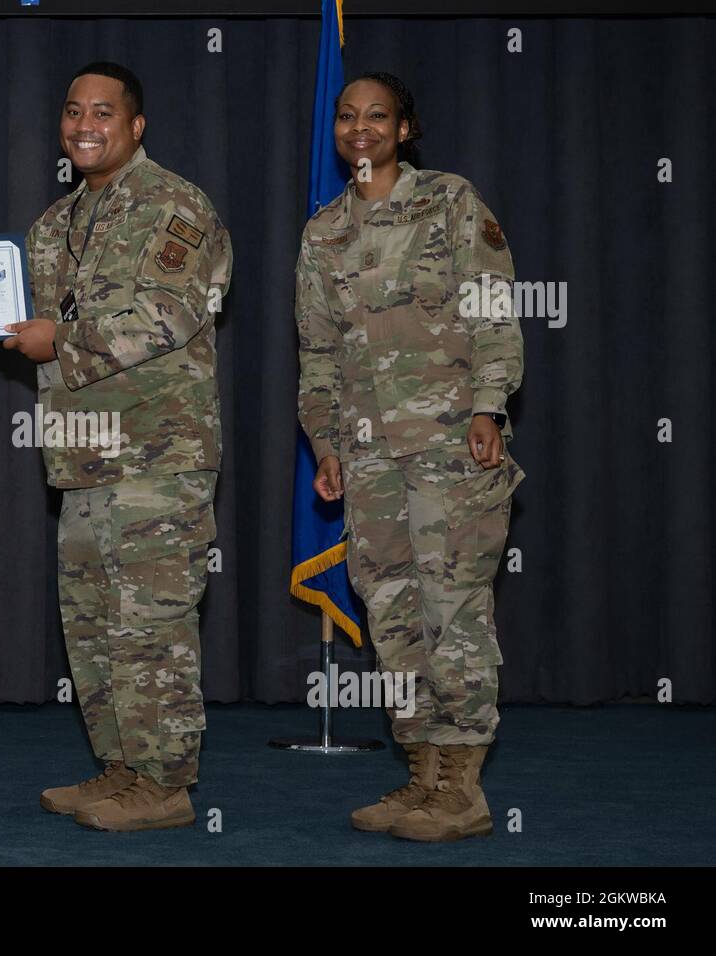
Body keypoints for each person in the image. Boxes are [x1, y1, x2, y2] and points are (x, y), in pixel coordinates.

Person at [294, 72, 524, 842]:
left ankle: (463, 788)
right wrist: (324, 443)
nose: (361, 129)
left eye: (378, 117)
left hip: (453, 442)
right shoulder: (323, 231)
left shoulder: (450, 202)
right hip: (367, 457)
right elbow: (317, 353)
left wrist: (490, 405)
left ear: (405, 129)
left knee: (452, 609)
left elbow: (494, 307)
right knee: (390, 611)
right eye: (348, 116)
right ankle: (421, 772)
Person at [5, 62, 232, 832]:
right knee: (95, 624)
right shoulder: (53, 222)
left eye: (103, 111)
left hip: (157, 456)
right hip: (81, 457)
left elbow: (172, 312)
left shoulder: (173, 204)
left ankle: (166, 785)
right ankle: (123, 768)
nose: (84, 124)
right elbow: (20, 316)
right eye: (73, 111)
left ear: (136, 126)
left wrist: (60, 341)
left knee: (151, 627)